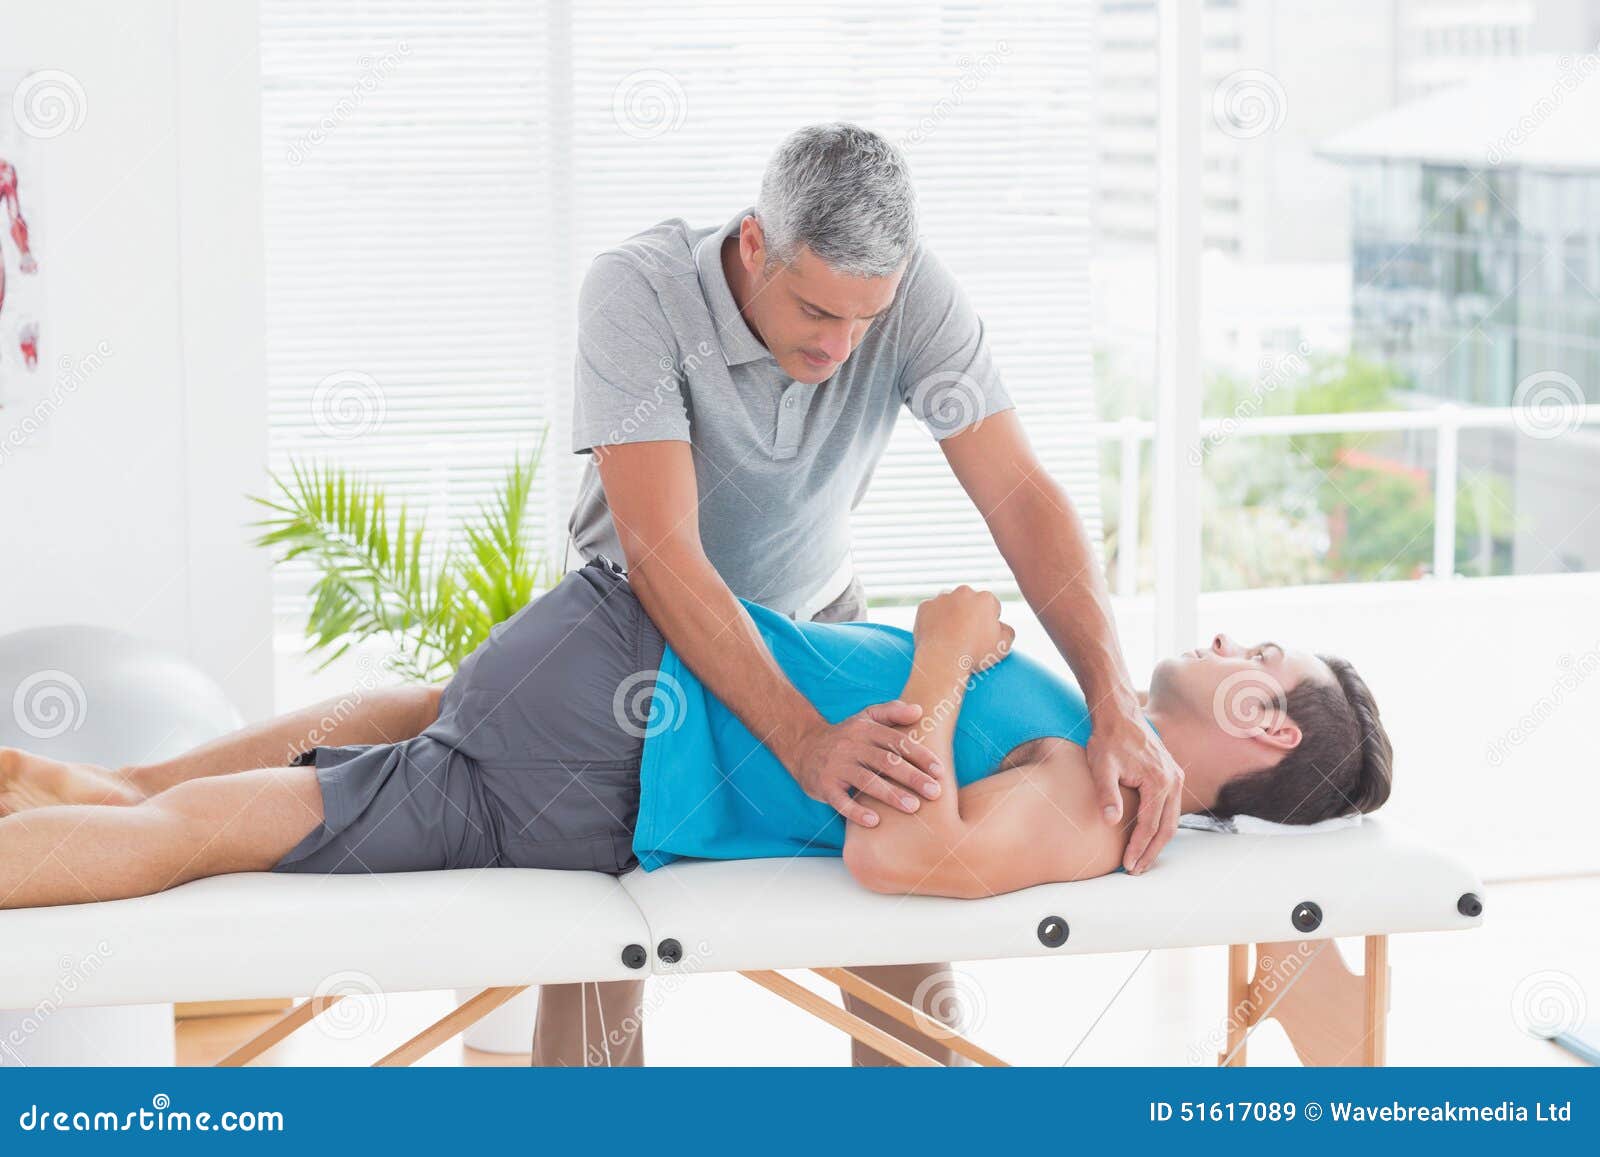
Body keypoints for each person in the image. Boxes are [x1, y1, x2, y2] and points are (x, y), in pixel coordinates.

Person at [553, 120, 1187, 1063]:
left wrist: (1114, 704)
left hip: (821, 629)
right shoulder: (638, 292)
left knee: (902, 937)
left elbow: (1020, 494)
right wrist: (804, 741)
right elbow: (665, 556)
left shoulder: (913, 296)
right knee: (597, 945)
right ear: (756, 243)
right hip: (640, 649)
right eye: (817, 311)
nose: (844, 345)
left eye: (867, 319)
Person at [0, 557, 1393, 947]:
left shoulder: (1101, 811)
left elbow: (901, 850)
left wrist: (953, 641)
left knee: (402, 726)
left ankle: (96, 788)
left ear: (1264, 728)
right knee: (224, 831)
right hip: (629, 694)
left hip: (614, 733)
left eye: (1263, 659)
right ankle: (110, 797)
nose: (1234, 640)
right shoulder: (1101, 741)